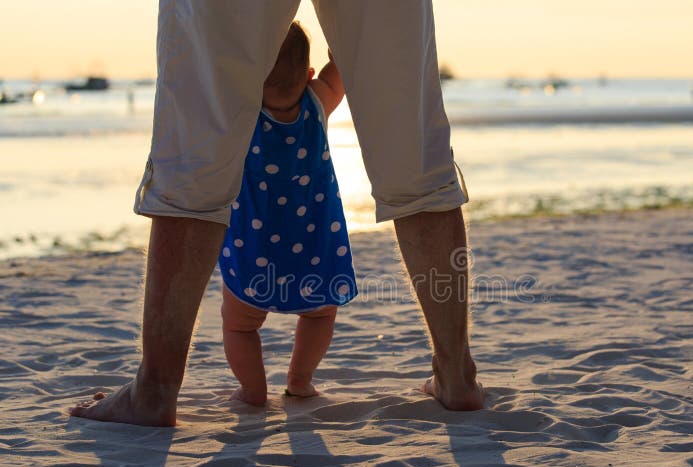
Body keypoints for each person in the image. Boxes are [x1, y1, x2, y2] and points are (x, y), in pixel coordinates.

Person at [70, 1, 483, 427]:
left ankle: (156, 389)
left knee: (197, 142)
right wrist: (340, 59)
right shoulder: (315, 103)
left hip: (254, 259)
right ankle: (456, 376)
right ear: (304, 77)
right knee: (412, 148)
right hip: (316, 254)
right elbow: (340, 76)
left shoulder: (253, 115)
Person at [220, 22, 355, 406]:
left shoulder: (241, 113)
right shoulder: (317, 102)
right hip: (313, 242)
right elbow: (341, 67)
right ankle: (299, 380)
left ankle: (252, 389)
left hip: (253, 245)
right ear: (309, 75)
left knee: (240, 326)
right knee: (319, 316)